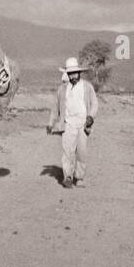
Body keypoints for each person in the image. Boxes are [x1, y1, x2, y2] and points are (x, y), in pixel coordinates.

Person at [47, 56, 99, 189]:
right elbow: (55, 107)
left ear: (79, 73)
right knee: (68, 152)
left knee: (81, 152)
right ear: (67, 74)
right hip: (68, 123)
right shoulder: (62, 89)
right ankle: (68, 177)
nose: (72, 76)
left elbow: (94, 103)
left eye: (75, 73)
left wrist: (91, 117)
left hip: (83, 123)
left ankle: (79, 178)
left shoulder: (87, 87)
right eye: (70, 74)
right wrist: (51, 123)